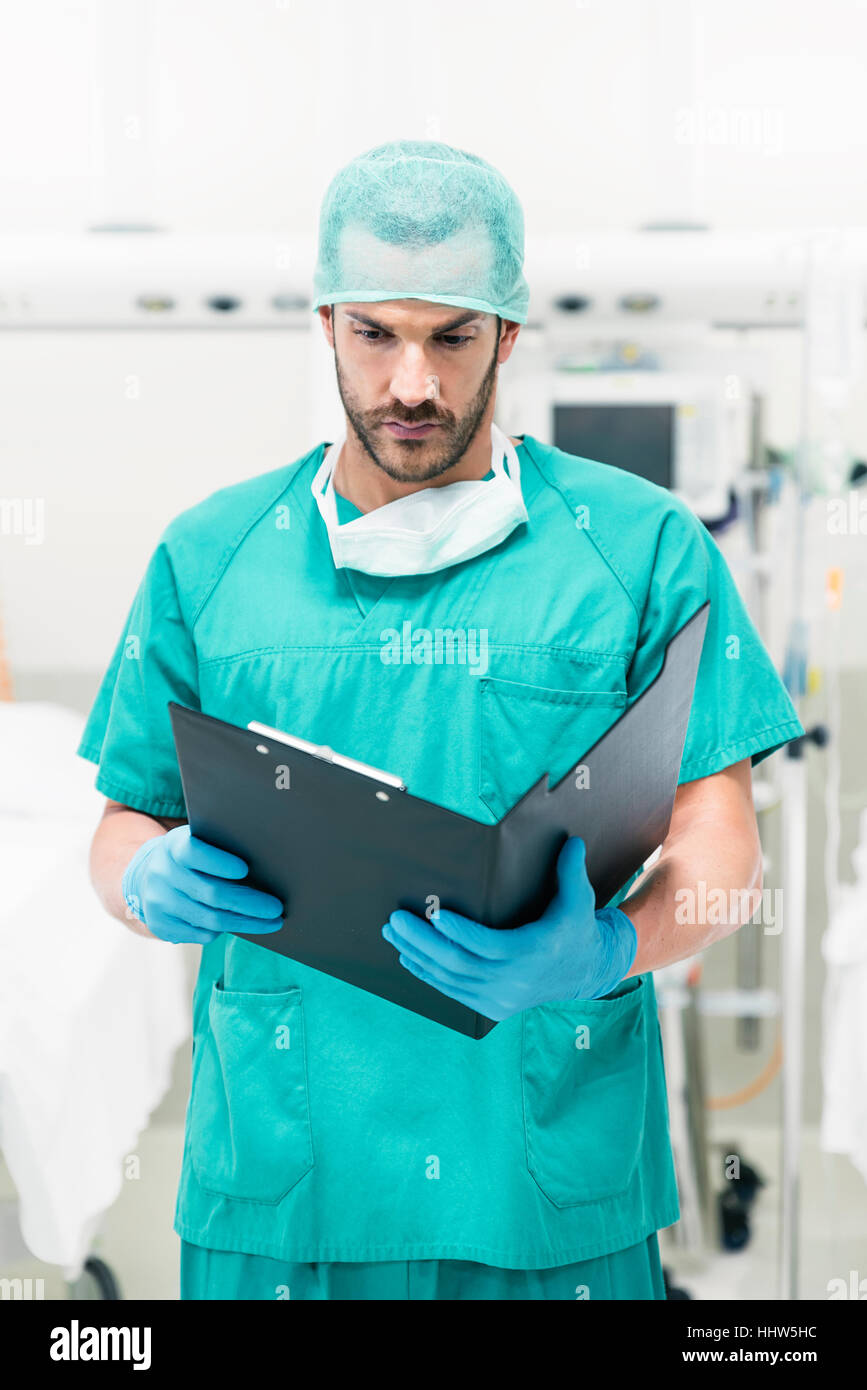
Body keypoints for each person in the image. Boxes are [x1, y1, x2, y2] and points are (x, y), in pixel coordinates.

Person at [79, 140, 804, 1301]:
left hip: (544, 1193)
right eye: (376, 334)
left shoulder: (640, 550)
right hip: (285, 1197)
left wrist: (610, 947)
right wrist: (142, 878)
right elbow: (123, 822)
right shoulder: (209, 558)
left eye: (452, 337)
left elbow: (724, 848)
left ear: (509, 336)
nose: (411, 383)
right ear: (326, 324)